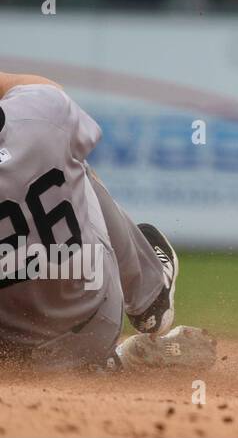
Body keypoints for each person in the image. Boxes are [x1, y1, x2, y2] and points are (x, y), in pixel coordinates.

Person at [0, 72, 215, 370]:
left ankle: (105, 365)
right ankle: (148, 296)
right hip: (96, 319)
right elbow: (42, 87)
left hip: (10, 353)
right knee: (73, 161)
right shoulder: (44, 114)